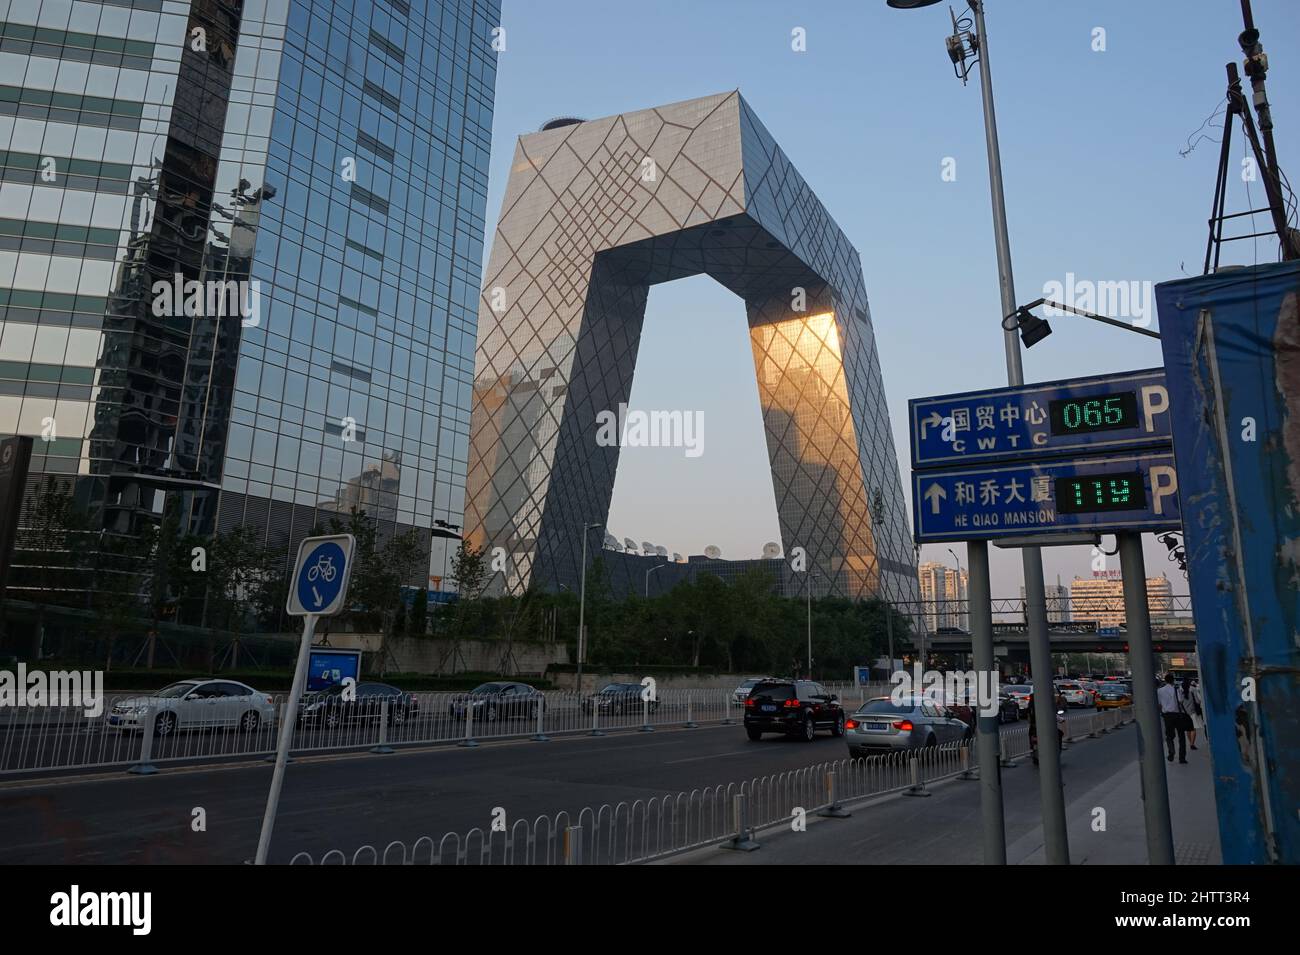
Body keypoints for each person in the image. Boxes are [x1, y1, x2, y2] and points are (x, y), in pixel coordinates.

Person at [1158, 673, 1189, 763]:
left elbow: (1159, 704)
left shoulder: (1160, 691)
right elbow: (1181, 701)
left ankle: (1171, 752)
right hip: (1177, 715)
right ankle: (1182, 758)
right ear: (1173, 680)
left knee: (1169, 736)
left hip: (1167, 716)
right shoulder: (1176, 689)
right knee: (1181, 736)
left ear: (1165, 680)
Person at [1185, 678, 1204, 750]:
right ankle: (1192, 744)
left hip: (1185, 712)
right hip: (1193, 711)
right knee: (1193, 728)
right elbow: (1198, 701)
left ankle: (1190, 742)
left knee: (1188, 729)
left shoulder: (1180, 689)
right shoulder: (1193, 689)